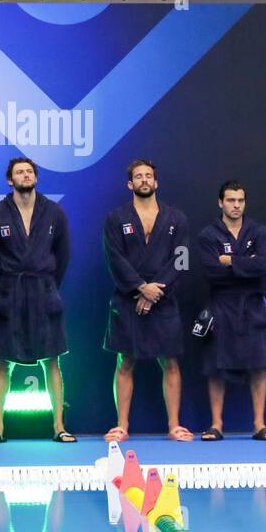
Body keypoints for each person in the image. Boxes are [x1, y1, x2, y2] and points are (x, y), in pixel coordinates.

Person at [0, 158, 75, 443]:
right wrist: (5, 289)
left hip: (45, 292)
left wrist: (47, 286)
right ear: (10, 180)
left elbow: (63, 256)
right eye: (20, 172)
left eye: (30, 171)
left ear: (36, 178)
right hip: (10, 292)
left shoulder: (54, 212)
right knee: (2, 362)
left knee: (53, 361)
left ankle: (59, 426)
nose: (25, 175)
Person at [102, 160, 192, 442]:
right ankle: (122, 426)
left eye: (148, 176)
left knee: (171, 363)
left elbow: (182, 259)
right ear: (130, 184)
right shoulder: (116, 219)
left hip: (164, 299)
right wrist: (141, 288)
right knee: (125, 361)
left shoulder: (176, 219)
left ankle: (175, 425)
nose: (144, 180)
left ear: (156, 183)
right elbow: (114, 260)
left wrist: (154, 293)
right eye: (138, 177)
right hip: (127, 299)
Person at [197, 181, 266, 440]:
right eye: (231, 200)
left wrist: (230, 261)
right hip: (221, 305)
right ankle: (216, 424)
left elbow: (264, 266)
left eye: (240, 200)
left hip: (252, 304)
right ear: (221, 202)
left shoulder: (259, 231)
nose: (236, 205)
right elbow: (212, 272)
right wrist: (246, 264)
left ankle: (259, 424)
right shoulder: (208, 235)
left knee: (258, 364)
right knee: (216, 366)